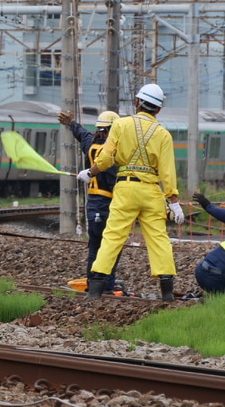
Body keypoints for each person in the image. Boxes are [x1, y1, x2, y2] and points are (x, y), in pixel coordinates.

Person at [81, 83, 181, 301]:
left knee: (113, 236)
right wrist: (173, 201)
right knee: (159, 239)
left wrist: (90, 172)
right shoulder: (164, 135)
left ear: (136, 102)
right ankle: (167, 293)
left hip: (126, 188)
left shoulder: (120, 125)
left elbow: (105, 159)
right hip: (152, 192)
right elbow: (167, 172)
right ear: (158, 109)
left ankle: (95, 290)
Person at [59, 109, 123, 293]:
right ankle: (106, 287)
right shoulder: (111, 153)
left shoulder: (91, 145)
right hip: (107, 205)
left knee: (94, 247)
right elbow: (113, 181)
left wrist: (71, 123)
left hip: (92, 204)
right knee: (111, 247)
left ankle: (92, 284)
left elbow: (83, 134)